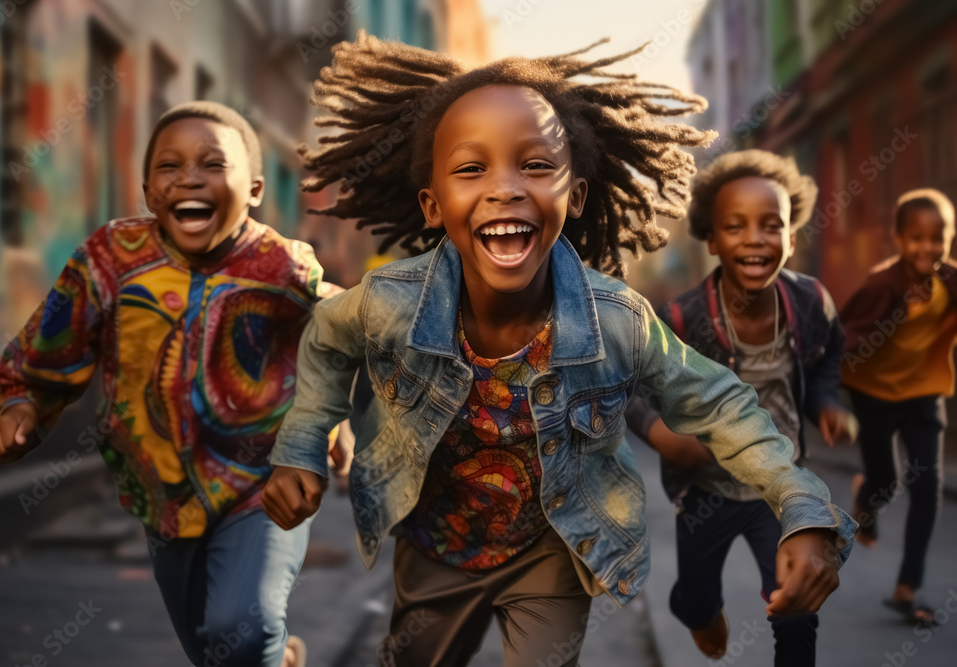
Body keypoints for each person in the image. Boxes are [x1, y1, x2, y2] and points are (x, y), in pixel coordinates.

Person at [263, 33, 856, 667]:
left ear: (573, 197)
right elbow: (327, 338)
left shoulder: (616, 318)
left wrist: (802, 506)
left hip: (550, 551)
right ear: (433, 206)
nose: (506, 189)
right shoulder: (389, 301)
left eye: (536, 165)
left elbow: (720, 403)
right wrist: (305, 440)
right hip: (435, 551)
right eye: (472, 168)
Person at [0, 101, 346, 667]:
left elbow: (344, 333)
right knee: (213, 648)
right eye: (170, 167)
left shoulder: (282, 266)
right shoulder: (110, 260)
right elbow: (49, 349)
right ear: (150, 191)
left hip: (262, 486)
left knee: (242, 630)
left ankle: (266, 651)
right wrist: (21, 406)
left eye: (211, 164)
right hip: (161, 498)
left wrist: (332, 423)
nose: (190, 178)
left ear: (253, 189)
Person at [624, 150, 855, 665]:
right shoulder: (682, 319)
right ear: (712, 239)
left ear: (792, 237)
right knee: (698, 601)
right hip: (707, 489)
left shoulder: (811, 302)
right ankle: (697, 610)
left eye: (772, 225)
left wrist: (826, 403)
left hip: (780, 488)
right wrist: (660, 432)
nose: (755, 238)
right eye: (736, 226)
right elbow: (633, 385)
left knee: (797, 610)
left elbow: (826, 357)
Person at [839, 188, 957, 626]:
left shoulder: (950, 279)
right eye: (916, 238)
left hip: (924, 394)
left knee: (927, 486)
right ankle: (866, 500)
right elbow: (843, 336)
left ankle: (909, 586)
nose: (927, 248)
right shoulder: (881, 285)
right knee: (885, 482)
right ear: (899, 239)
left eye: (937, 238)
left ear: (950, 237)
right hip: (874, 393)